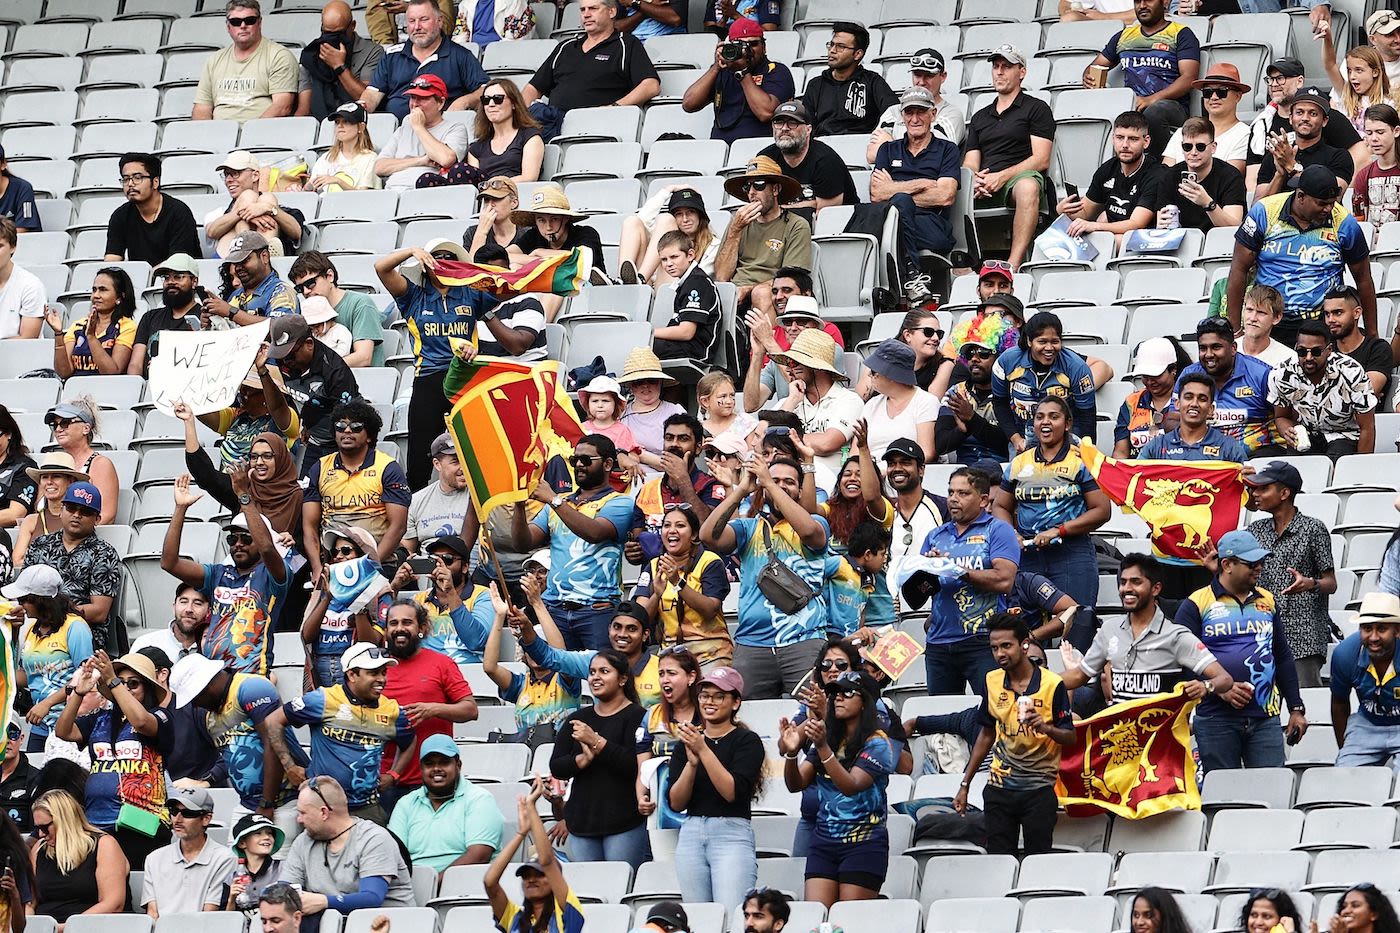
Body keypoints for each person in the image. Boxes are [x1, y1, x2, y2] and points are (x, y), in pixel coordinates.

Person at [1175, 530, 1307, 773]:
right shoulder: (1196, 603)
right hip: (1216, 718)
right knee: (1223, 793)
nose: (1259, 568)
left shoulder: (1267, 599)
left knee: (1271, 789)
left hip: (1265, 716)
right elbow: (1183, 661)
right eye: (1251, 563)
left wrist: (1296, 708)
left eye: (1261, 562)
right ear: (1227, 564)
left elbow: (1282, 655)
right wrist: (1220, 689)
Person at [700, 456, 830, 699]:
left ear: (801, 490)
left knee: (814, 716)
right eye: (775, 479)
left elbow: (811, 533)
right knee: (747, 720)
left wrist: (769, 483)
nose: (781, 485)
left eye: (788, 482)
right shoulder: (749, 528)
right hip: (752, 644)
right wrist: (740, 490)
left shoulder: (815, 521)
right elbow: (708, 536)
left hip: (804, 641)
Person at [952, 612, 1073, 854]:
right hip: (999, 786)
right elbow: (986, 734)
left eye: (1006, 646)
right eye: (994, 648)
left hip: (1039, 789)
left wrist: (1045, 727)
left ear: (1024, 645)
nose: (1000, 654)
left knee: (1037, 862)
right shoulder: (991, 681)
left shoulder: (1052, 684)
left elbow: (1070, 737)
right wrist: (965, 784)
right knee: (998, 860)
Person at [378, 242, 497, 488]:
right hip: (428, 379)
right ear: (425, 266)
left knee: (477, 451)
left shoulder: (471, 293)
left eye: (448, 259)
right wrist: (412, 251)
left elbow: (511, 283)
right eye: (436, 259)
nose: (442, 263)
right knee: (419, 458)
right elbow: (381, 267)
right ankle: (415, 517)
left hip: (465, 378)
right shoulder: (413, 295)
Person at [778, 670, 897, 907]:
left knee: (849, 921)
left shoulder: (878, 742)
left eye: (847, 692)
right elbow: (796, 784)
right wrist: (792, 753)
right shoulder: (829, 737)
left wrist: (822, 746)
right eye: (835, 693)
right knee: (819, 919)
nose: (839, 698)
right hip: (823, 841)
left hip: (864, 843)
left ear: (866, 702)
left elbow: (850, 786)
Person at [511, 434, 636, 651]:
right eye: (574, 459)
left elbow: (595, 532)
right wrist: (519, 506)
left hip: (597, 610)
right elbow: (523, 544)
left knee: (598, 680)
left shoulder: (620, 502)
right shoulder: (559, 505)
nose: (578, 464)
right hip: (555, 609)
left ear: (607, 464)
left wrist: (554, 499)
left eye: (586, 460)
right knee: (559, 680)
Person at [1058, 554, 1233, 708]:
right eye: (1123, 582)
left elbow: (1224, 679)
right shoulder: (1109, 630)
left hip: (1161, 740)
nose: (1127, 588)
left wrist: (1206, 687)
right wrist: (1037, 681)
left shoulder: (1176, 635)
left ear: (1155, 589)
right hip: (1123, 738)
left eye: (1136, 582)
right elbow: (1079, 675)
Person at [168, 652, 306, 843]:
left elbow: (272, 742)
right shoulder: (210, 715)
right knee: (238, 868)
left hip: (281, 802)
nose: (194, 704)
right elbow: (230, 754)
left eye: (195, 698)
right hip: (246, 803)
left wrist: (266, 803)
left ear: (205, 687)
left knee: (278, 868)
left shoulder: (250, 688)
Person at [53, 651, 175, 866]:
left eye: (133, 683)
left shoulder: (160, 716)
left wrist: (112, 679)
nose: (125, 687)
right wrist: (79, 694)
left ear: (146, 688)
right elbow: (63, 731)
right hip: (97, 824)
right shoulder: (100, 718)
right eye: (121, 682)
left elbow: (140, 722)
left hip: (142, 824)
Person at [271, 643, 416, 822]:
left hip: (367, 809)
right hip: (322, 807)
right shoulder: (323, 700)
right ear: (352, 675)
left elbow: (410, 741)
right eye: (373, 673)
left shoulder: (392, 711)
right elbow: (273, 721)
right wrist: (289, 767)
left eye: (383, 672)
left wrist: (394, 775)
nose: (381, 679)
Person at [162, 471, 289, 676]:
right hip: (215, 676)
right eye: (232, 539)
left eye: (246, 539)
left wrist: (243, 495)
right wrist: (180, 509)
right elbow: (169, 563)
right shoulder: (217, 573)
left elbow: (266, 548)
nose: (238, 544)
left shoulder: (273, 574)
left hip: (252, 675)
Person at [906, 467, 1019, 697]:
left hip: (984, 641)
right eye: (950, 492)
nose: (953, 499)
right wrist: (929, 573)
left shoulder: (998, 531)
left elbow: (1004, 580)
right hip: (939, 642)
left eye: (963, 493)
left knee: (992, 713)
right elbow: (917, 598)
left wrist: (958, 571)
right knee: (943, 719)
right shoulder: (936, 536)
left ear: (983, 500)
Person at [993, 396, 1111, 613]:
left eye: (1054, 417)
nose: (1045, 422)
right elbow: (1000, 506)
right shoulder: (1019, 463)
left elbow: (1102, 511)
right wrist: (1011, 534)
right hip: (1028, 554)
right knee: (1024, 631)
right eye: (1039, 417)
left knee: (1077, 622)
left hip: (1071, 554)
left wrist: (1059, 531)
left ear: (1067, 424)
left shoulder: (1081, 461)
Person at [668, 665, 764, 914]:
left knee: (732, 914)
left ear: (735, 702)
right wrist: (691, 763)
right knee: (698, 918)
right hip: (691, 830)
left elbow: (732, 792)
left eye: (719, 696)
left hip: (731, 831)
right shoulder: (687, 744)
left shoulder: (747, 741)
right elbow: (676, 803)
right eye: (704, 695)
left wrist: (703, 750)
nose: (709, 701)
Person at [549, 649, 650, 868]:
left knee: (619, 885)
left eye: (604, 671)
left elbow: (635, 766)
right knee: (590, 891)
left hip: (624, 819)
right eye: (592, 672)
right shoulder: (577, 719)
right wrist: (582, 761)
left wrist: (596, 742)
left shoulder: (638, 716)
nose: (596, 677)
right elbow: (557, 766)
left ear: (623, 679)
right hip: (582, 821)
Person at [1245, 461, 1338, 688]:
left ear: (1284, 493)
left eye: (1263, 489)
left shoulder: (1313, 528)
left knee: (1304, 704)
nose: (1256, 494)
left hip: (1303, 636)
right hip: (1261, 634)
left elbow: (1331, 583)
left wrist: (1311, 583)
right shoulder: (1255, 530)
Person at [964, 45, 1056, 270]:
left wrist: (1001, 177)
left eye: (1006, 67)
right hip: (984, 184)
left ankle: (1012, 266)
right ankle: (960, 267)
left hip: (1018, 179)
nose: (999, 72)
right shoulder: (980, 116)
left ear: (1021, 72)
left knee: (1028, 187)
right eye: (996, 67)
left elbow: (1041, 159)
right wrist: (973, 180)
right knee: (948, 187)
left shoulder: (1036, 108)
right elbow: (970, 161)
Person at [379, 597, 479, 803]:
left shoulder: (441, 663)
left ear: (421, 627)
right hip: (385, 780)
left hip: (433, 780)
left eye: (407, 623)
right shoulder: (374, 668)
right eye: (393, 623)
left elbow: (470, 710)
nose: (399, 629)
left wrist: (433, 709)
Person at [277, 775, 416, 922]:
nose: (298, 819)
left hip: (390, 924)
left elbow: (372, 898)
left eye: (303, 813)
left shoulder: (374, 838)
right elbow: (284, 891)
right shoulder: (303, 841)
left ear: (324, 813)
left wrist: (324, 902)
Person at [302, 401, 411, 581]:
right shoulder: (319, 468)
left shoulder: (387, 468)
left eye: (356, 427)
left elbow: (398, 526)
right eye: (340, 426)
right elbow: (309, 526)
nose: (347, 431)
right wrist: (316, 568)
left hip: (379, 565)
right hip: (334, 565)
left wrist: (371, 565)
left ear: (369, 435)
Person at [871, 87, 960, 299]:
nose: (915, 118)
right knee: (898, 208)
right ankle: (912, 277)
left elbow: (945, 196)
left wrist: (894, 188)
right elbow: (876, 193)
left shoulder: (947, 149)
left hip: (931, 227)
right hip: (892, 223)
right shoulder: (888, 150)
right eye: (909, 112)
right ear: (902, 117)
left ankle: (898, 286)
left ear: (933, 114)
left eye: (921, 112)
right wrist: (921, 183)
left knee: (898, 205)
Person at [1084, 0, 1199, 153]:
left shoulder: (1181, 33)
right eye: (1138, 1)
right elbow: (1095, 66)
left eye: (1149, 0)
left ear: (1164, 2)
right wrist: (1088, 77)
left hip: (1170, 106)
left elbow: (1189, 78)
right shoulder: (1124, 36)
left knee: (1154, 112)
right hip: (1132, 106)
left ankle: (1157, 169)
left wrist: (1151, 99)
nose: (1142, 5)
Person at [19, 481, 121, 651]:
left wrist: (50, 614)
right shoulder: (40, 544)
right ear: (62, 511)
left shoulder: (104, 553)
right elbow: (23, 592)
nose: (77, 515)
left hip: (79, 632)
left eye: (85, 511)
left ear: (97, 519)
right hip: (35, 628)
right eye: (71, 508)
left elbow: (99, 611)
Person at [179, 402, 303, 540]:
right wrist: (189, 422)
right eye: (254, 457)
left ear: (281, 459)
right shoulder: (242, 487)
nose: (259, 462)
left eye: (267, 456)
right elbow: (205, 475)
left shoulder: (299, 496)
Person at [633, 503, 733, 669]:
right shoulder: (653, 566)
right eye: (666, 526)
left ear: (694, 534)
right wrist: (657, 595)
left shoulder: (710, 562)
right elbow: (640, 620)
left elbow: (710, 610)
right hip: (669, 657)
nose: (672, 531)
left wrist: (677, 582)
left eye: (680, 526)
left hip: (711, 653)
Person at [1248, 56, 1365, 194]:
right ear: (1291, 118)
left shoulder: (1335, 142)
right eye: (1271, 79)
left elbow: (1361, 157)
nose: (1274, 84)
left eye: (1280, 78)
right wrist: (1280, 173)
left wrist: (1348, 192)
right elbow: (1256, 198)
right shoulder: (1262, 126)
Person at [485, 574, 585, 734]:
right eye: (531, 647)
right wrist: (499, 616)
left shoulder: (566, 679)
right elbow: (490, 667)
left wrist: (537, 603)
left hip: (561, 754)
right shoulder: (519, 685)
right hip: (526, 753)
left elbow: (560, 655)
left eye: (542, 647)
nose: (535, 653)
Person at [388, 734, 502, 873]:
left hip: (464, 885)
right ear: (421, 769)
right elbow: (394, 854)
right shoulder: (406, 803)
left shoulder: (479, 799)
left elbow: (479, 856)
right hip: (413, 884)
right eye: (429, 764)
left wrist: (434, 883)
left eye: (444, 762)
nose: (436, 768)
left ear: (458, 765)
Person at [523, 0, 661, 114]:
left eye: (593, 9)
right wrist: (522, 117)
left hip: (598, 125)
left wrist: (614, 107)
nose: (586, 15)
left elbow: (651, 85)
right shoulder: (565, 47)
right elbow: (533, 88)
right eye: (582, 10)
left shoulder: (626, 44)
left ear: (612, 12)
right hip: (553, 123)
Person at [8, 564, 92, 752]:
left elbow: (85, 677)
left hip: (70, 724)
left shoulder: (75, 627)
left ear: (40, 601)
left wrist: (48, 703)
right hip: (40, 724)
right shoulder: (31, 629)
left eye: (23, 600)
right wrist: (13, 632)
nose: (20, 606)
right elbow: (26, 675)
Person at [1265, 319, 1376, 458]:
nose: (1308, 357)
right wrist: (1288, 431)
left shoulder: (1351, 372)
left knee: (1338, 455)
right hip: (1306, 435)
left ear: (1329, 350)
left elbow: (1367, 427)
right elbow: (1281, 416)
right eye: (1302, 351)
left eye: (1316, 352)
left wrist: (1361, 468)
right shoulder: (1281, 374)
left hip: (1344, 435)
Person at [484, 779, 584, 933]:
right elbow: (490, 883)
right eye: (526, 876)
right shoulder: (515, 918)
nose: (531, 880)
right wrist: (521, 834)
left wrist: (531, 807)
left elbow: (547, 861)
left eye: (539, 875)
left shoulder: (566, 914)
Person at [361, 0, 486, 120]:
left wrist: (464, 101)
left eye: (424, 20)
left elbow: (484, 89)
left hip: (440, 134)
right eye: (411, 21)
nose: (417, 27)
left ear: (440, 21)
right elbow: (372, 94)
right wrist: (360, 109)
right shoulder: (391, 55)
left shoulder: (460, 55)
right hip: (395, 134)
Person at [714, 156, 812, 308]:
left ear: (775, 189)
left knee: (761, 293)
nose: (751, 193)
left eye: (758, 185)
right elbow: (721, 277)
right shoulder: (738, 223)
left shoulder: (796, 225)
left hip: (771, 291)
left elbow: (791, 279)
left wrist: (749, 289)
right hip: (735, 291)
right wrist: (735, 231)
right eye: (747, 187)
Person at [265, 313, 361, 469]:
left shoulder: (335, 373)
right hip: (315, 440)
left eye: (289, 355)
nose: (285, 362)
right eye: (279, 356)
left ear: (309, 343)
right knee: (307, 490)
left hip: (343, 441)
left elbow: (348, 422)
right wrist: (308, 424)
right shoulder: (287, 363)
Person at [992, 311, 1097, 448]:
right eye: (1042, 341)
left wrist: (1083, 449)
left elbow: (1087, 416)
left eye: (1055, 342)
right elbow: (1000, 403)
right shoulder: (1006, 362)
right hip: (1022, 437)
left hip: (1065, 439)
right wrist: (1016, 440)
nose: (1049, 348)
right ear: (1029, 341)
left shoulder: (1077, 368)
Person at [1175, 317, 1279, 454]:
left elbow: (1283, 418)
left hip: (1256, 459)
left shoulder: (1262, 374)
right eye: (1203, 348)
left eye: (1216, 347)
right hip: (1204, 458)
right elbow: (1172, 420)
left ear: (1233, 348)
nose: (1209, 354)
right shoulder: (1188, 375)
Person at [682, 19, 792, 146]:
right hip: (719, 149)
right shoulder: (722, 72)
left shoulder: (776, 70)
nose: (748, 50)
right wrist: (716, 67)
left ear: (764, 47)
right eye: (740, 45)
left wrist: (742, 72)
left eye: (754, 44)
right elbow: (688, 104)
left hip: (760, 149)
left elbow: (766, 113)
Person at [302, 525, 388, 686]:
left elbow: (371, 643)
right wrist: (327, 597)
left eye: (346, 551)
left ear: (363, 555)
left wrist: (357, 600)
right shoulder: (325, 586)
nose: (339, 556)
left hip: (356, 668)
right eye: (335, 552)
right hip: (320, 665)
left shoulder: (380, 590)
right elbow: (306, 636)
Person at [770, 329, 862, 475]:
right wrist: (792, 400)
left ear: (817, 367)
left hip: (828, 481)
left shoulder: (848, 401)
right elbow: (763, 439)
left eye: (794, 362)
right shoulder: (789, 401)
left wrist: (780, 439)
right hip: (787, 480)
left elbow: (827, 444)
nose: (788, 369)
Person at [29, 790, 128, 925]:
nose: (40, 834)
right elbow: (30, 903)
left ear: (64, 821)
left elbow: (113, 904)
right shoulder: (39, 849)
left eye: (45, 828)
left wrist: (66, 928)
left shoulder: (104, 845)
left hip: (93, 927)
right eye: (38, 828)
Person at [1055, 110, 1160, 238]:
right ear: (1113, 139)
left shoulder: (1155, 174)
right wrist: (1063, 210)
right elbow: (1086, 213)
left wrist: (1095, 226)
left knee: (1115, 239)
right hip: (1110, 234)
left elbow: (1136, 224)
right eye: (1120, 138)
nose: (1125, 145)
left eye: (1133, 139)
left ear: (1146, 141)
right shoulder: (1108, 169)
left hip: (1142, 239)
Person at [193, 0, 298, 122]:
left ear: (259, 23)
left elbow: (282, 107)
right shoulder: (214, 60)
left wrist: (249, 133)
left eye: (250, 20)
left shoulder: (279, 56)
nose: (243, 25)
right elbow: (201, 109)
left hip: (260, 135)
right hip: (218, 136)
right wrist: (208, 134)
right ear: (228, 27)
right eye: (236, 22)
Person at [141, 787, 236, 918]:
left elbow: (210, 915)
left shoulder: (224, 858)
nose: (177, 819)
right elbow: (152, 914)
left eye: (187, 813)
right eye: (174, 811)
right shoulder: (154, 858)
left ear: (206, 819)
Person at [1331, 592, 1400, 772]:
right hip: (1367, 723)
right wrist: (1345, 748)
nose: (1374, 637)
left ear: (1397, 631)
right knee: (1343, 776)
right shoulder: (1345, 654)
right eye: (1367, 628)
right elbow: (1339, 702)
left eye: (1382, 629)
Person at [760, 100, 858, 224]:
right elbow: (759, 204)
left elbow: (826, 213)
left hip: (836, 229)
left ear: (808, 130)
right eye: (779, 122)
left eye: (792, 122)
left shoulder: (827, 161)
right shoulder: (766, 159)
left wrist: (777, 208)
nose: (784, 128)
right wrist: (809, 204)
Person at [1254, 85, 1358, 202]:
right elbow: (1257, 208)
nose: (1305, 118)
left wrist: (1292, 167)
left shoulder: (1338, 157)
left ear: (1324, 121)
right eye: (1299, 112)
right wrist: (1280, 174)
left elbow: (1331, 197)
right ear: (1290, 118)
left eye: (1313, 114)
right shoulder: (1277, 156)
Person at [288, 251, 385, 366]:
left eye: (310, 283)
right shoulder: (306, 313)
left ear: (330, 276)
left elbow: (363, 358)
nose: (306, 291)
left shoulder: (360, 304)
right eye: (300, 288)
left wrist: (321, 368)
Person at [1151, 116, 1247, 231]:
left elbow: (1234, 227)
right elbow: (1162, 222)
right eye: (1187, 147)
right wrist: (1162, 225)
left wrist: (1208, 203)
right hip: (1180, 243)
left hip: (1220, 245)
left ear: (1213, 147)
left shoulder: (1231, 176)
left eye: (1200, 147)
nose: (1193, 152)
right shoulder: (1169, 177)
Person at [800, 23, 897, 137]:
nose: (832, 50)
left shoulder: (873, 82)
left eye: (840, 46)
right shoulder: (815, 85)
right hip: (822, 146)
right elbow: (805, 124)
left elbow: (893, 112)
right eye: (831, 44)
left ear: (857, 54)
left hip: (862, 146)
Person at [203, 152, 306, 258]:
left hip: (265, 267)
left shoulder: (279, 209)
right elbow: (211, 232)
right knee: (248, 198)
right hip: (226, 261)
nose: (228, 180)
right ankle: (251, 253)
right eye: (226, 175)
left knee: (267, 198)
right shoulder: (218, 213)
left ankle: (253, 254)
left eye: (235, 173)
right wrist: (244, 213)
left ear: (255, 175)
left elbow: (297, 232)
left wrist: (269, 209)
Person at [103, 153, 200, 265]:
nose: (130, 184)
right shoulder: (120, 216)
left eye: (137, 178)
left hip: (177, 278)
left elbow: (178, 263)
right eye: (125, 179)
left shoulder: (179, 212)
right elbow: (112, 260)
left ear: (155, 182)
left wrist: (147, 277)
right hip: (140, 279)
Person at [296, 1, 383, 121]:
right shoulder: (311, 54)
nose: (332, 39)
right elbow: (304, 109)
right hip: (320, 123)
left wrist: (339, 66)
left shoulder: (372, 51)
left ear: (352, 26)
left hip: (356, 122)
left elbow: (366, 101)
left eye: (338, 34)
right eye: (327, 33)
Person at [617, 186, 721, 287]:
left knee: (665, 219)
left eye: (691, 212)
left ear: (700, 215)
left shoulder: (713, 245)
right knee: (631, 221)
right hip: (647, 287)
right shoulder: (665, 233)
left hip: (677, 289)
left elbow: (699, 281)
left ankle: (640, 278)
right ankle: (622, 280)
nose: (685, 219)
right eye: (679, 214)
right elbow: (641, 219)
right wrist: (668, 189)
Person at [868, 48, 964, 152]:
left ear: (943, 76)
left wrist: (890, 145)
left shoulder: (951, 114)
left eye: (929, 76)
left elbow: (937, 153)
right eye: (917, 75)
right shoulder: (893, 111)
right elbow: (871, 153)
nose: (921, 82)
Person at [1141, 372, 1250, 463]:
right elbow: (1134, 477)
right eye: (1188, 397)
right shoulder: (1157, 446)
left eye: (1202, 399)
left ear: (1211, 409)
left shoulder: (1228, 447)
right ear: (1177, 404)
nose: (1194, 404)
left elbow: (1246, 482)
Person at [48, 266, 136, 377]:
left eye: (103, 290)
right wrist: (58, 334)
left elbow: (112, 372)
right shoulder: (78, 325)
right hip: (76, 389)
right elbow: (64, 372)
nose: (96, 295)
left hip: (107, 390)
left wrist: (91, 336)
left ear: (119, 297)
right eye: (94, 290)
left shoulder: (127, 327)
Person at [1161, 63, 1250, 173]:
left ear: (1238, 96)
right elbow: (1165, 175)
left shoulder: (1245, 135)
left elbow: (1230, 178)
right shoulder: (1181, 132)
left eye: (1222, 91)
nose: (1214, 97)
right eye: (1207, 92)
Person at [860, 339, 938, 462]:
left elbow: (926, 453)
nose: (870, 375)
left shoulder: (926, 402)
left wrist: (886, 470)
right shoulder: (871, 405)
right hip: (870, 472)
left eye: (874, 371)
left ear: (891, 375)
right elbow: (855, 451)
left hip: (904, 473)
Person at [39, 400, 116, 524]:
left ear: (86, 428)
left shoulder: (100, 464)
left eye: (65, 423)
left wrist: (70, 539)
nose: (58, 429)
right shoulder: (53, 462)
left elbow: (106, 515)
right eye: (54, 425)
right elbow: (40, 510)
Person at [651, 232, 722, 363]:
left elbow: (686, 332)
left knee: (643, 348)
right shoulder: (686, 281)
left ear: (690, 255)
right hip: (681, 347)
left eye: (674, 257)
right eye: (664, 259)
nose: (669, 264)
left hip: (696, 353)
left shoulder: (697, 282)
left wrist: (648, 332)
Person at [1112, 337, 1186, 458]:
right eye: (1145, 376)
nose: (1150, 382)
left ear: (1173, 370)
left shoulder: (1188, 401)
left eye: (1156, 375)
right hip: (1138, 473)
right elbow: (1120, 452)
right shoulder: (1131, 403)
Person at [203, 231, 300, 324]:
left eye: (244, 260)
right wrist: (212, 322)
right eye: (235, 263)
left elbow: (280, 326)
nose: (239, 267)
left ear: (264, 256)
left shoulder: (282, 291)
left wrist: (231, 312)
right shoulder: (235, 295)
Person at [128, 254, 200, 378]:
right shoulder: (149, 318)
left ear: (194, 282)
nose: (171, 282)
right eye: (166, 278)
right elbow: (135, 365)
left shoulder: (204, 317)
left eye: (178, 277)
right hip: (150, 390)